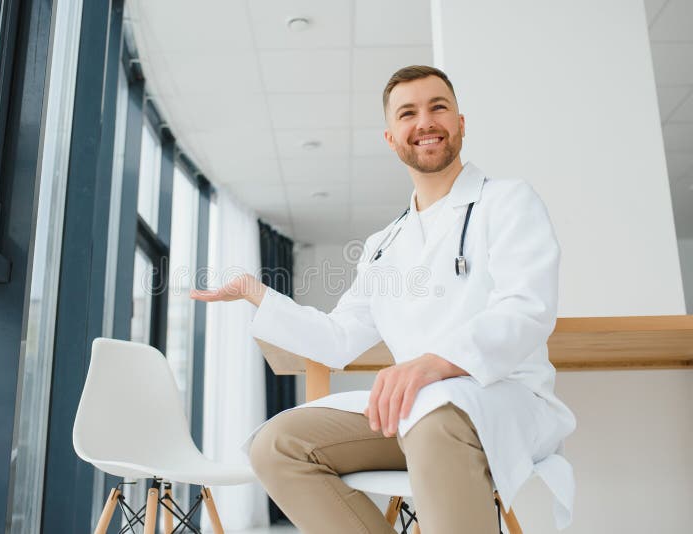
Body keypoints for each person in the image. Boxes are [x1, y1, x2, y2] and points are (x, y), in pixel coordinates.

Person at [191, 65, 576, 533]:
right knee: (276, 445)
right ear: (392, 138)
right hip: (419, 412)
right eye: (408, 113)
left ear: (459, 123)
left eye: (438, 107)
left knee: (436, 420)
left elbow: (526, 308)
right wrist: (257, 293)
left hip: (506, 401)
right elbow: (336, 339)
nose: (425, 122)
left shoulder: (508, 201)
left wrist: (432, 363)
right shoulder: (383, 245)